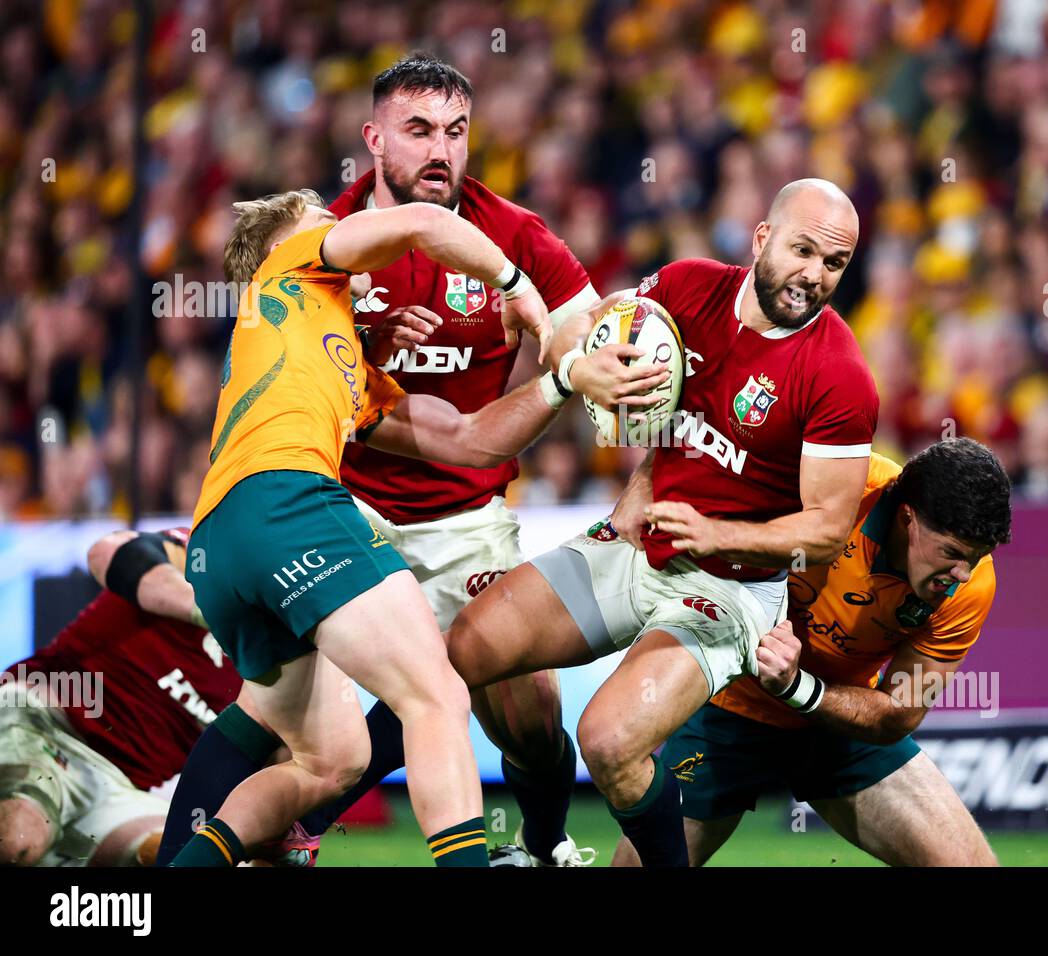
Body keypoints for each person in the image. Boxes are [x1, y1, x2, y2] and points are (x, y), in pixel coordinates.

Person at [300, 177, 880, 867]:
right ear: (762, 239)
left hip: (728, 588)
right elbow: (609, 337)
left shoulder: (840, 374)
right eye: (803, 250)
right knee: (457, 655)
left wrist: (718, 533)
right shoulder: (688, 288)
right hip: (635, 547)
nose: (812, 274)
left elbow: (824, 527)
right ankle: (309, 828)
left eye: (833, 263)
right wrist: (583, 376)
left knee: (608, 742)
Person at [157, 54, 647, 868]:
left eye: (456, 133)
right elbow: (429, 233)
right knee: (432, 697)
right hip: (330, 510)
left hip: (417, 515)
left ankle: (540, 840)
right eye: (418, 131)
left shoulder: (497, 237)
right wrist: (514, 289)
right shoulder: (323, 239)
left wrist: (574, 363)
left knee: (346, 743)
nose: (440, 151)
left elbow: (474, 432)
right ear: (373, 139)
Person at [611, 439, 1011, 866]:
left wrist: (797, 687)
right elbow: (709, 449)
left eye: (976, 557)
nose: (961, 575)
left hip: (839, 723)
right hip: (729, 705)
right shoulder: (835, 484)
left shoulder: (971, 587)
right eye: (951, 553)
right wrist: (642, 482)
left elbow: (898, 713)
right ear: (906, 518)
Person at [0, 528, 240, 866]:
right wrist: (213, 614)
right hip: (45, 721)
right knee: (18, 837)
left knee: (197, 859)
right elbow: (108, 552)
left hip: (118, 789)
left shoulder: (291, 661)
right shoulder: (210, 556)